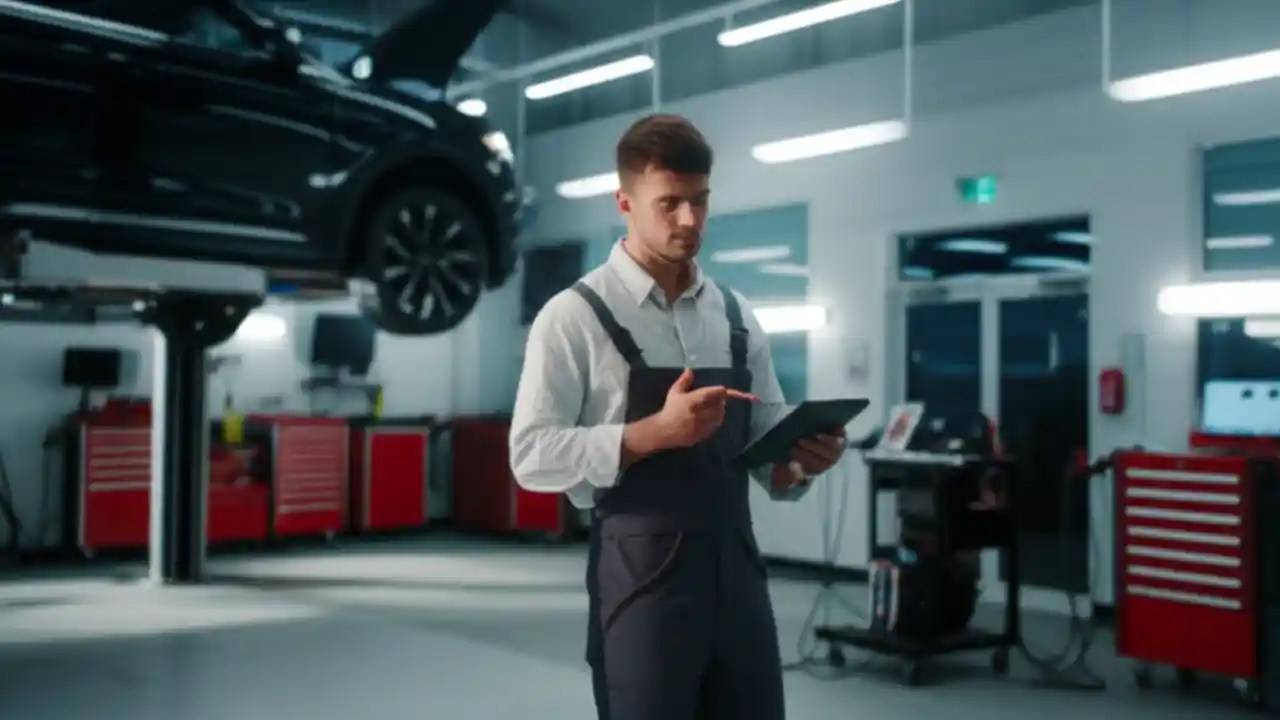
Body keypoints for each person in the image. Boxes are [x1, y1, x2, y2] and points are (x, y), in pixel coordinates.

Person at [508, 113, 847, 720]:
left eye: (700, 202)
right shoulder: (574, 316)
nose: (689, 222)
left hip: (738, 574)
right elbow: (530, 456)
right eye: (669, 204)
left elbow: (769, 457)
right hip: (642, 580)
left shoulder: (736, 316)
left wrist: (800, 464)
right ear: (625, 202)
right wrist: (651, 434)